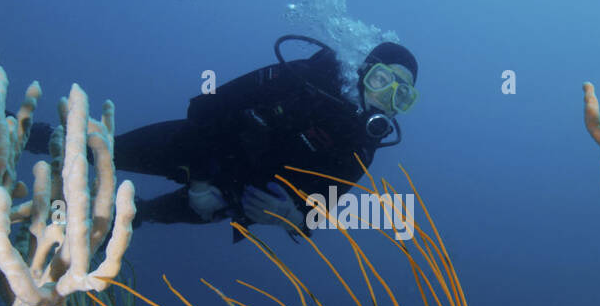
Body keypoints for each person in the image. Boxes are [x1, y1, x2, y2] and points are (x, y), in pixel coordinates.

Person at [117, 36, 419, 239]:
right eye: (382, 79)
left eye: (401, 94)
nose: (386, 97)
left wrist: (287, 216)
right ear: (362, 72)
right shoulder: (306, 78)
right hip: (192, 148)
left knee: (137, 215)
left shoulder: (362, 148)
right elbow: (205, 106)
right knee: (97, 150)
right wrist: (199, 183)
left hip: (229, 200)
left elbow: (313, 217)